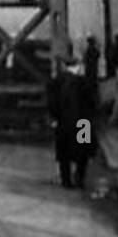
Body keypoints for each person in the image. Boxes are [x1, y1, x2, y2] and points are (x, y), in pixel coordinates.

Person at [47, 55, 96, 188]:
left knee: (64, 153)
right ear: (78, 67)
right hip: (83, 123)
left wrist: (55, 117)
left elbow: (51, 103)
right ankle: (80, 179)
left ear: (64, 66)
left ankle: (66, 180)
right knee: (83, 153)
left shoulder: (56, 81)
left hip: (64, 122)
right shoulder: (84, 82)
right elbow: (93, 102)